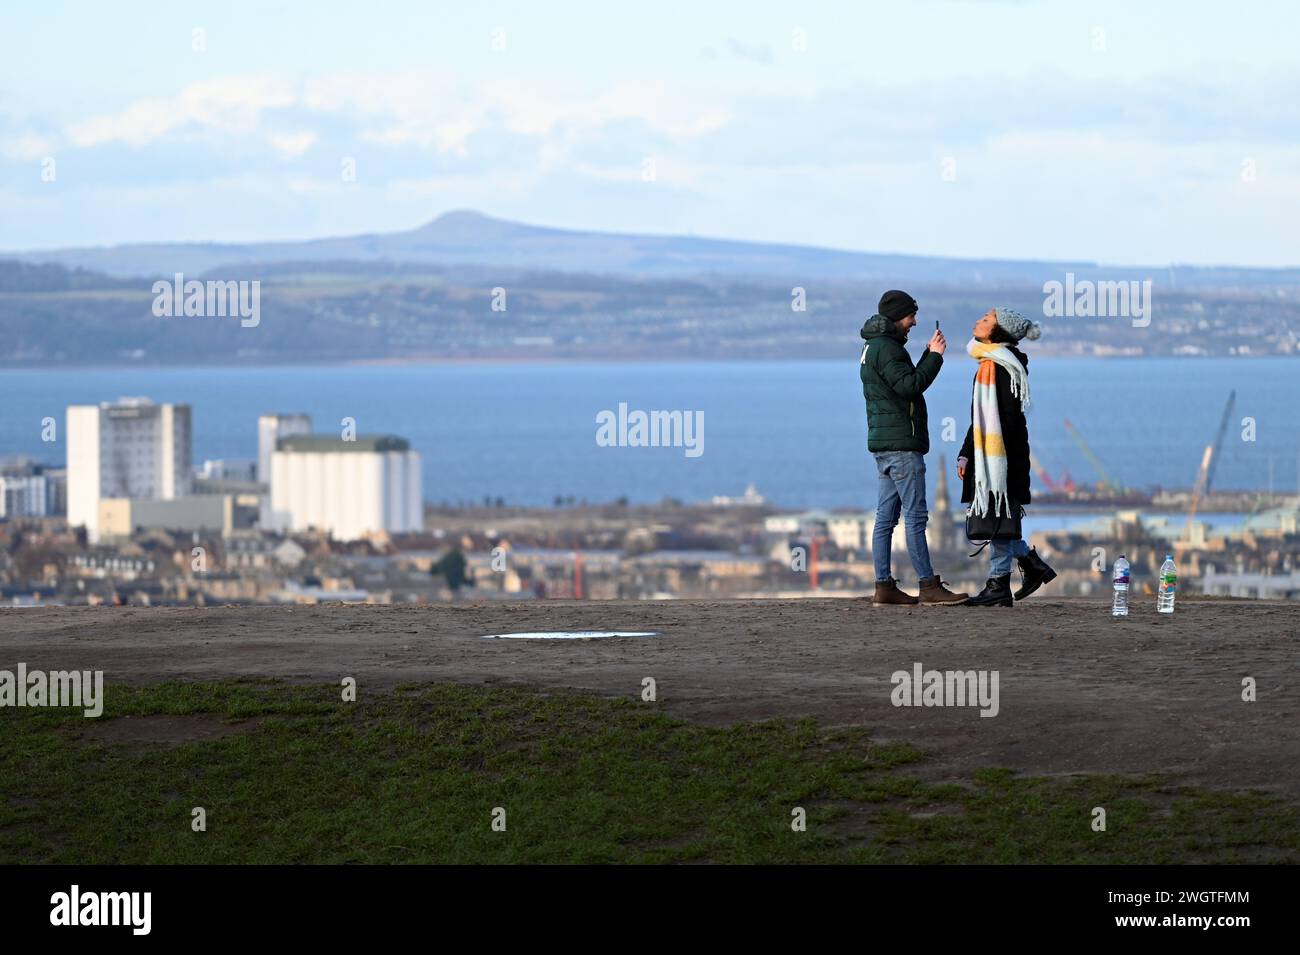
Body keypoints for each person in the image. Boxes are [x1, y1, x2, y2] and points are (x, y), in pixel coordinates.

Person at [859, 290, 967, 606]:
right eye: (910, 316)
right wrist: (934, 356)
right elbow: (910, 386)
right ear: (896, 316)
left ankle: (884, 586)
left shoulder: (872, 347)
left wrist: (923, 357)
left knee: (885, 519)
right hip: (902, 447)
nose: (914, 322)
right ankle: (928, 585)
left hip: (883, 444)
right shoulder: (888, 349)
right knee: (916, 517)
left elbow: (900, 383)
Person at [956, 307, 1057, 607]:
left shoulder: (1003, 368)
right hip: (991, 455)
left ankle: (999, 585)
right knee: (1000, 519)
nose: (978, 320)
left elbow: (1007, 422)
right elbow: (980, 419)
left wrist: (997, 465)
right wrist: (965, 454)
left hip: (1001, 459)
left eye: (986, 319)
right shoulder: (990, 363)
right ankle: (1031, 565)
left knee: (998, 516)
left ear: (998, 333)